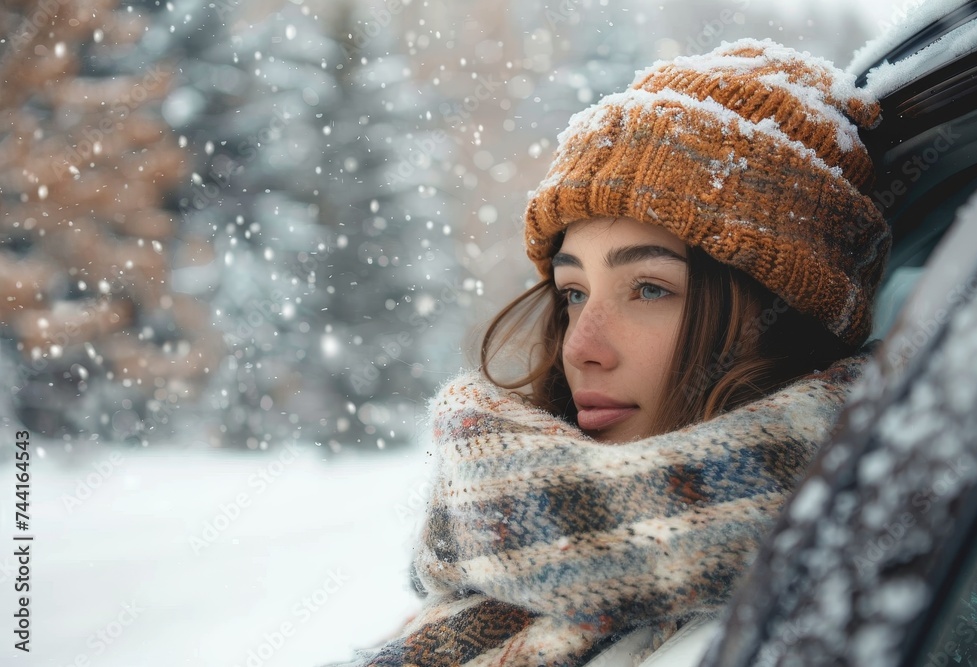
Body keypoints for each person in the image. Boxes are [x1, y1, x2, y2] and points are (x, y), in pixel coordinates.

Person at [339, 38, 890, 667]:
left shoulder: (788, 622)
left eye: (650, 288)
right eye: (573, 292)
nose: (581, 347)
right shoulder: (504, 581)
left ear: (777, 319)